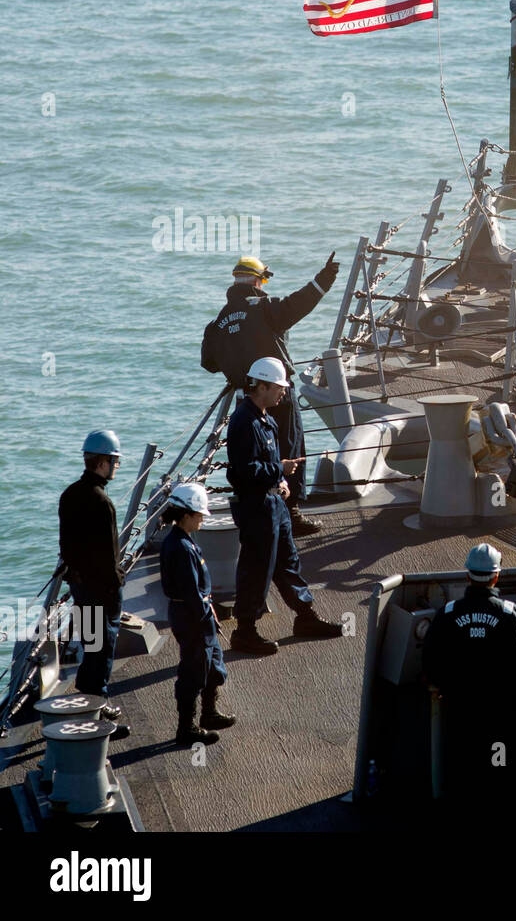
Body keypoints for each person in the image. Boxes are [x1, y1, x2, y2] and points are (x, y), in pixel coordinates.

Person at [201, 253, 339, 536]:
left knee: (256, 455)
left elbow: (209, 363)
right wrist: (325, 279)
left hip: (247, 400)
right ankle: (292, 512)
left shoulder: (219, 322)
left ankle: (263, 508)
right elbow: (299, 304)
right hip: (278, 396)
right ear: (257, 280)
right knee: (290, 448)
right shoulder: (262, 307)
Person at [226, 356, 344, 655]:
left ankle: (305, 617)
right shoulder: (245, 422)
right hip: (257, 508)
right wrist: (280, 469)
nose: (283, 393)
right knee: (257, 569)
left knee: (287, 562)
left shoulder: (264, 418)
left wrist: (280, 481)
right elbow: (243, 471)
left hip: (272, 503)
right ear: (262, 386)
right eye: (279, 387)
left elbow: (261, 466)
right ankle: (245, 632)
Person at [422, 544, 516, 829]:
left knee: (465, 756)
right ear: (496, 577)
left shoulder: (448, 613)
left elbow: (430, 656)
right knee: (498, 755)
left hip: (461, 707)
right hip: (502, 708)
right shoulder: (512, 612)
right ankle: (499, 805)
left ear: (468, 576)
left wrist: (438, 682)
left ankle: (465, 810)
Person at [58, 429, 131, 738]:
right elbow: (108, 558)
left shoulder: (70, 494)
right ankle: (95, 718)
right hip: (102, 593)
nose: (116, 466)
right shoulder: (102, 503)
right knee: (102, 653)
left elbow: (68, 549)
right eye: (114, 461)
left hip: (80, 589)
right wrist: (118, 584)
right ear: (103, 462)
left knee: (91, 647)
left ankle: (93, 704)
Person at [159, 482, 236, 746]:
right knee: (193, 670)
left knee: (212, 663)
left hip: (198, 612)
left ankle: (209, 713)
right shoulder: (180, 548)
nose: (203, 518)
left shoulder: (183, 542)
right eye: (200, 514)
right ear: (187, 515)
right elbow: (191, 593)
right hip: (192, 617)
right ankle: (187, 728)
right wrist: (206, 620)